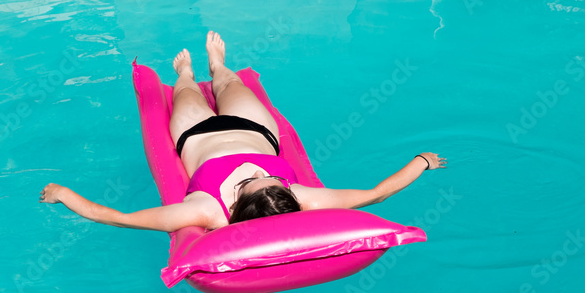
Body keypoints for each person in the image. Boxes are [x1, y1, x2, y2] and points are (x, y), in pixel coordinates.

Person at [40, 31, 445, 230]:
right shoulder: (297, 197)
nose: (258, 173)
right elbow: (374, 194)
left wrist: (64, 195)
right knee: (232, 84)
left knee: (183, 92)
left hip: (196, 134)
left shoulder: (208, 209)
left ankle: (184, 73)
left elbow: (121, 217)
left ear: (237, 207)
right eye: (270, 177)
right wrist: (420, 162)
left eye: (254, 182)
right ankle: (218, 67)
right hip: (255, 129)